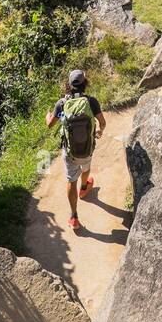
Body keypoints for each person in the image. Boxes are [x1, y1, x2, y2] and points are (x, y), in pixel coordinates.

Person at [46, 69, 106, 232]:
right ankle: (85, 188)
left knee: (71, 180)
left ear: (69, 84)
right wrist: (99, 132)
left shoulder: (61, 103)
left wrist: (48, 116)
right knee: (86, 168)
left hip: (69, 150)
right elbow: (102, 122)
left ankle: (74, 217)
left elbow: (50, 125)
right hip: (87, 148)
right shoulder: (91, 102)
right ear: (85, 83)